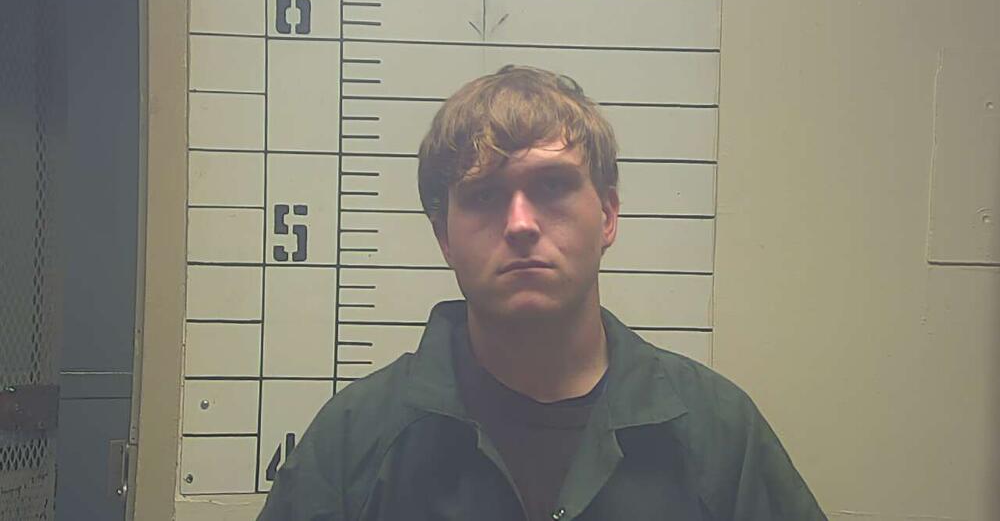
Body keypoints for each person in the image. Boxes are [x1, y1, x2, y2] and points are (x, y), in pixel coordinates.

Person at [257, 65, 827, 521]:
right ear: (444, 237)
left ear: (607, 216)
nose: (521, 223)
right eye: (484, 196)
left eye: (552, 186)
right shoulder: (354, 439)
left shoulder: (717, 431)